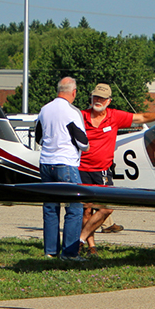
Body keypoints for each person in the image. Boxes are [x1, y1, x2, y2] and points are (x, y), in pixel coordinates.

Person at [78, 83, 155, 253]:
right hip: (81, 168)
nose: (98, 100)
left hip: (102, 170)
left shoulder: (114, 116)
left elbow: (142, 118)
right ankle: (90, 246)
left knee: (107, 208)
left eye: (102, 98)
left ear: (109, 101)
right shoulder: (81, 116)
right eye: (95, 97)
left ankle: (80, 238)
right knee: (85, 210)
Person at [36, 76, 89, 260]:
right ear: (73, 92)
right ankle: (69, 252)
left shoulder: (44, 110)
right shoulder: (72, 111)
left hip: (45, 162)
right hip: (65, 163)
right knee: (74, 207)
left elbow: (38, 138)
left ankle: (50, 251)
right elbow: (83, 142)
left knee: (50, 207)